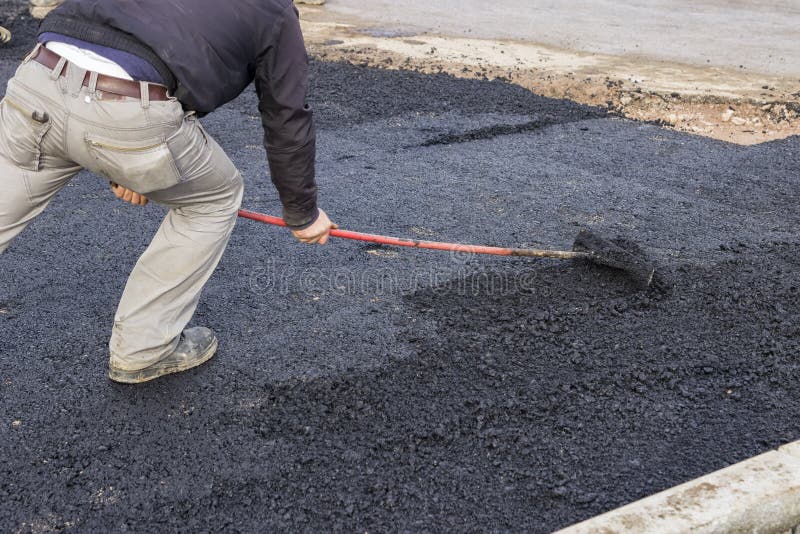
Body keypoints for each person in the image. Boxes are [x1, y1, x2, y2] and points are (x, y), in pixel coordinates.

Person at [0, 0, 337, 383]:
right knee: (214, 199)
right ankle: (143, 349)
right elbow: (285, 116)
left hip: (38, 77)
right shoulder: (274, 11)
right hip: (126, 111)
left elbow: (122, 43)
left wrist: (128, 172)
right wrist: (302, 212)